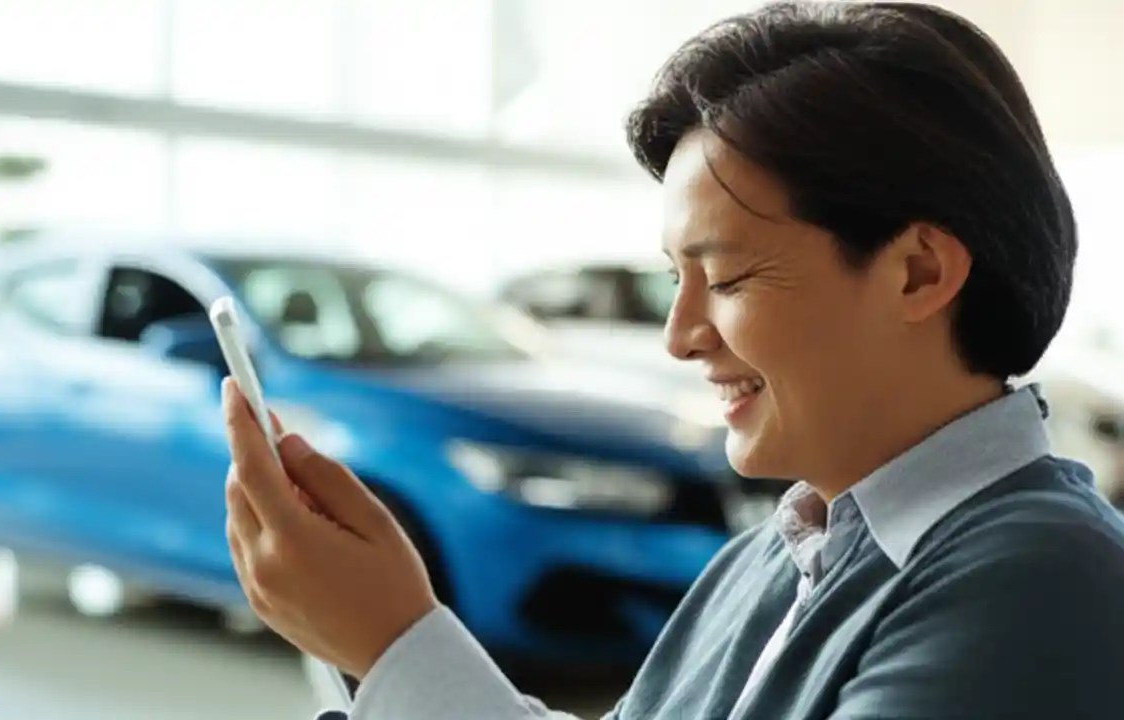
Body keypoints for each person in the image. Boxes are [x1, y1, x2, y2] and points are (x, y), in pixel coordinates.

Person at [221, 2, 1124, 718]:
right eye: (674, 281)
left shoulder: (1045, 582)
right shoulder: (772, 559)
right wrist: (377, 639)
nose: (681, 333)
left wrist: (399, 647)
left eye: (726, 277)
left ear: (918, 271)